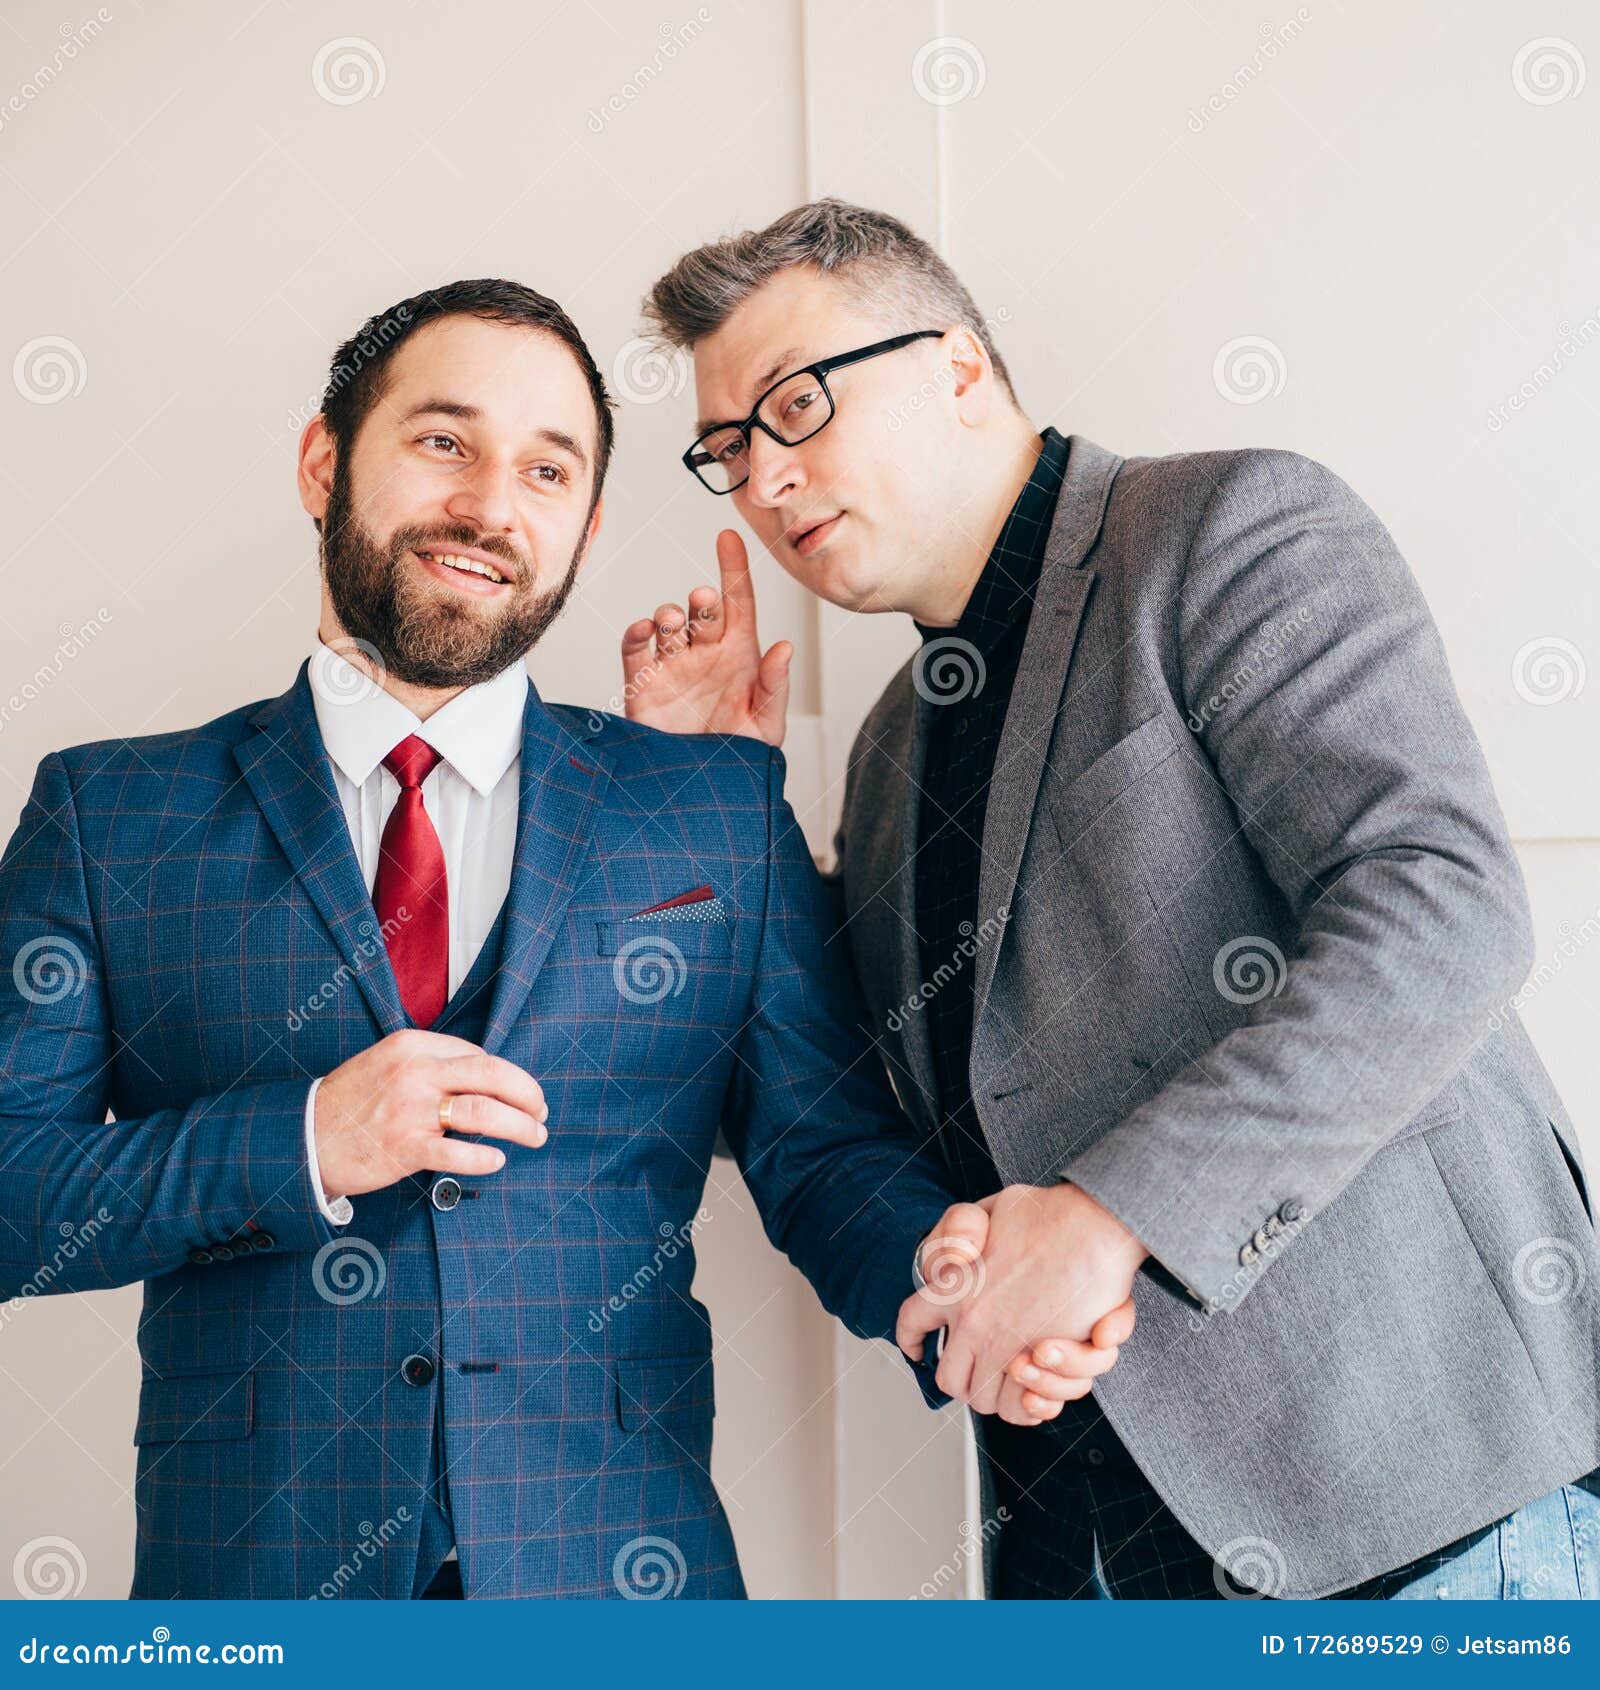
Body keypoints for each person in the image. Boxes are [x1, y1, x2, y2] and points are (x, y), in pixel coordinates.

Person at [0, 278, 1106, 1601]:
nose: (490, 505)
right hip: (256, 1588)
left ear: (584, 525)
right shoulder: (110, 813)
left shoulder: (706, 810)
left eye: (547, 469)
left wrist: (937, 1276)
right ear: (323, 463)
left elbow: (823, 1153)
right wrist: (301, 1141)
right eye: (444, 441)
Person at [622, 200, 1600, 1599]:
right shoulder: (891, 751)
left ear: (960, 366)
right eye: (729, 448)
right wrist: (714, 801)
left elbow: (1441, 906)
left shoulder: (1228, 527)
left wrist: (1108, 1214)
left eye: (795, 406)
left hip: (1420, 1518)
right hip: (1085, 1555)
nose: (765, 479)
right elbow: (828, 1092)